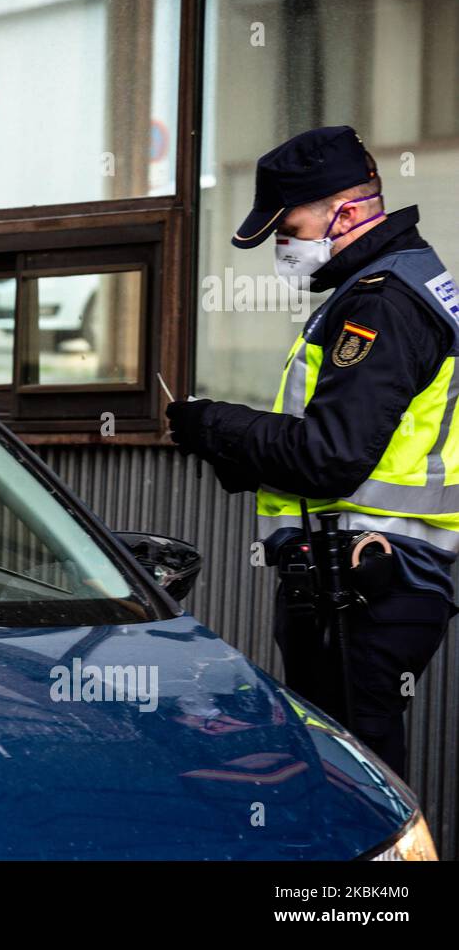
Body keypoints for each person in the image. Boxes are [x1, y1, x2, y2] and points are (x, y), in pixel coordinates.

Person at [166, 125, 459, 776]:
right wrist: (226, 447)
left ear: (345, 212)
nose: (283, 245)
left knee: (353, 782)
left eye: (289, 227)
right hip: (374, 578)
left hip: (365, 583)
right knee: (347, 768)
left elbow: (331, 454)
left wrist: (212, 424)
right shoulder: (396, 285)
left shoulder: (382, 302)